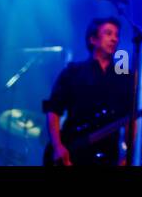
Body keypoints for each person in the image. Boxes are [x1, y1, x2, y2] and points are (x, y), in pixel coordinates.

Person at [42, 17, 134, 166]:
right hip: (74, 151)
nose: (114, 39)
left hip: (108, 154)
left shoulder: (124, 77)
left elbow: (131, 118)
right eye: (108, 33)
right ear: (93, 39)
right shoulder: (73, 72)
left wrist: (128, 155)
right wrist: (58, 146)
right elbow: (53, 109)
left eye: (117, 35)